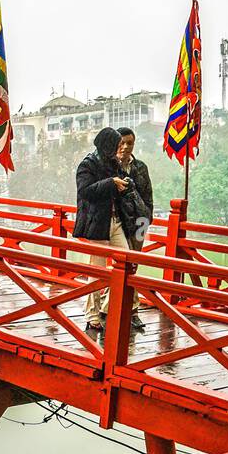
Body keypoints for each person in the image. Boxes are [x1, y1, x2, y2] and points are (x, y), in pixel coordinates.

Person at [75, 127, 135, 333]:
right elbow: (85, 192)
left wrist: (125, 184)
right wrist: (111, 183)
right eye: (117, 144)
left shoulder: (113, 163)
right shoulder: (87, 164)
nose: (120, 148)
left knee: (126, 261)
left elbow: (119, 187)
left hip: (116, 220)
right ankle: (92, 315)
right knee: (97, 269)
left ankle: (113, 308)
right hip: (97, 222)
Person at [116, 127, 153, 332]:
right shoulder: (111, 167)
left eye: (129, 143)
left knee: (134, 266)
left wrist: (147, 217)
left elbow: (148, 195)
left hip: (139, 222)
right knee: (123, 267)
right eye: (122, 143)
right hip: (120, 221)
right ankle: (130, 311)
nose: (125, 147)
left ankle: (130, 312)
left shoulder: (140, 167)